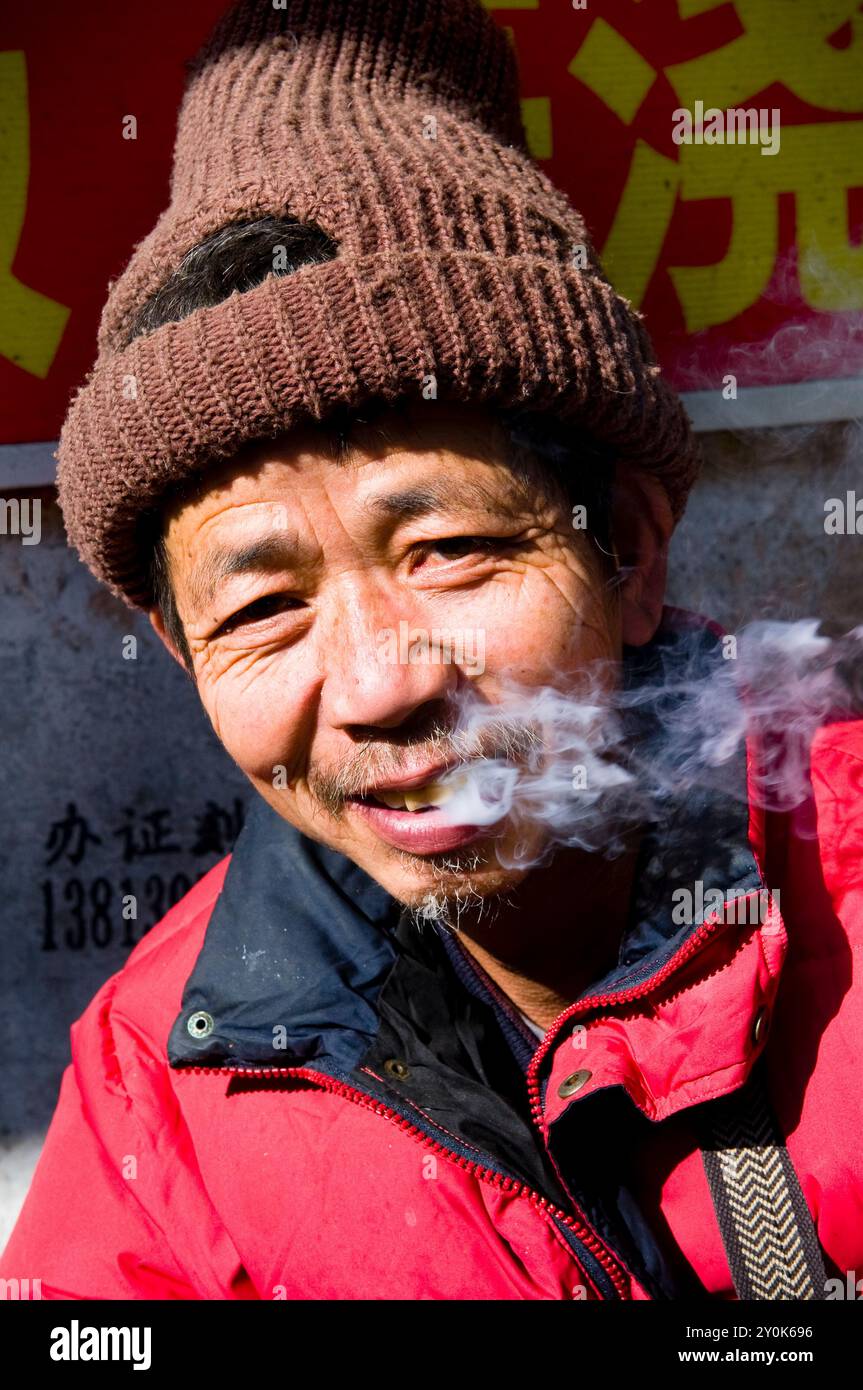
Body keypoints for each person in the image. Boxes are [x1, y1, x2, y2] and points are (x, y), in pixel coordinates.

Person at [2, 0, 861, 1301]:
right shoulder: (155, 1096)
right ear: (183, 661)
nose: (381, 684)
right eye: (260, 609)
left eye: (451, 550)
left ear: (626, 548)